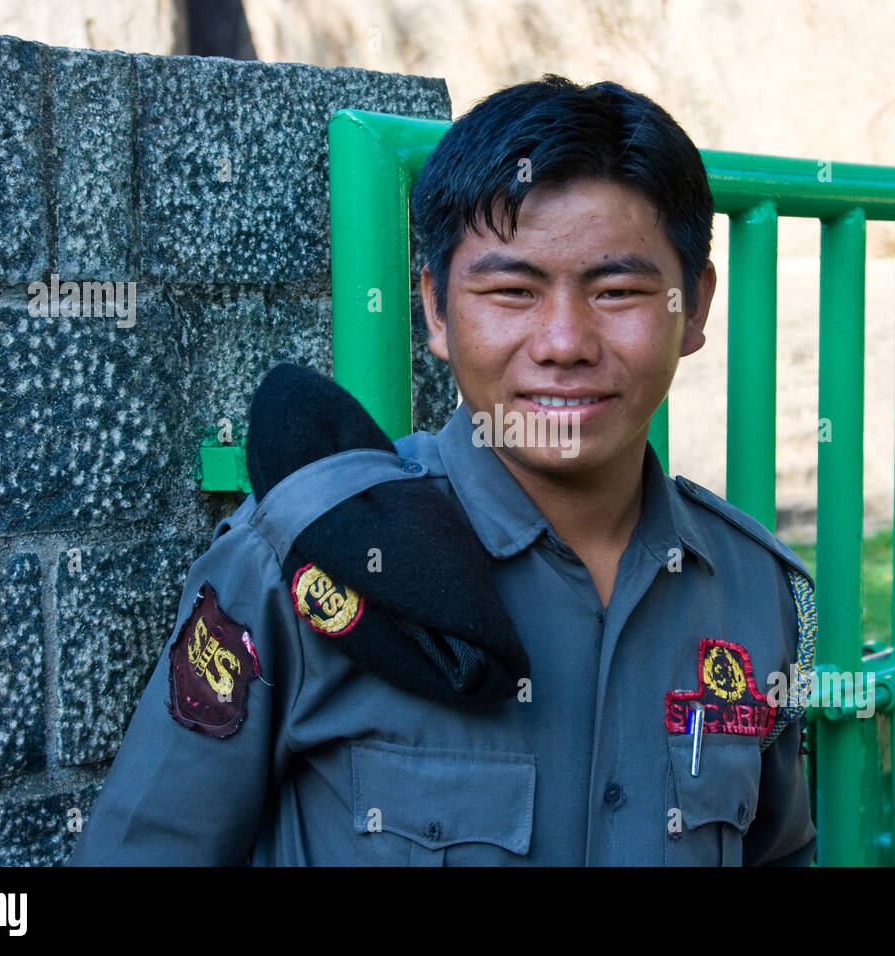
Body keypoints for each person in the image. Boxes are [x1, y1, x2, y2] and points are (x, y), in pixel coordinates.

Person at [69, 73, 817, 866]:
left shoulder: (753, 591)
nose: (564, 342)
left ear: (693, 308)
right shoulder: (308, 560)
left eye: (618, 290)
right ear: (434, 309)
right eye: (513, 290)